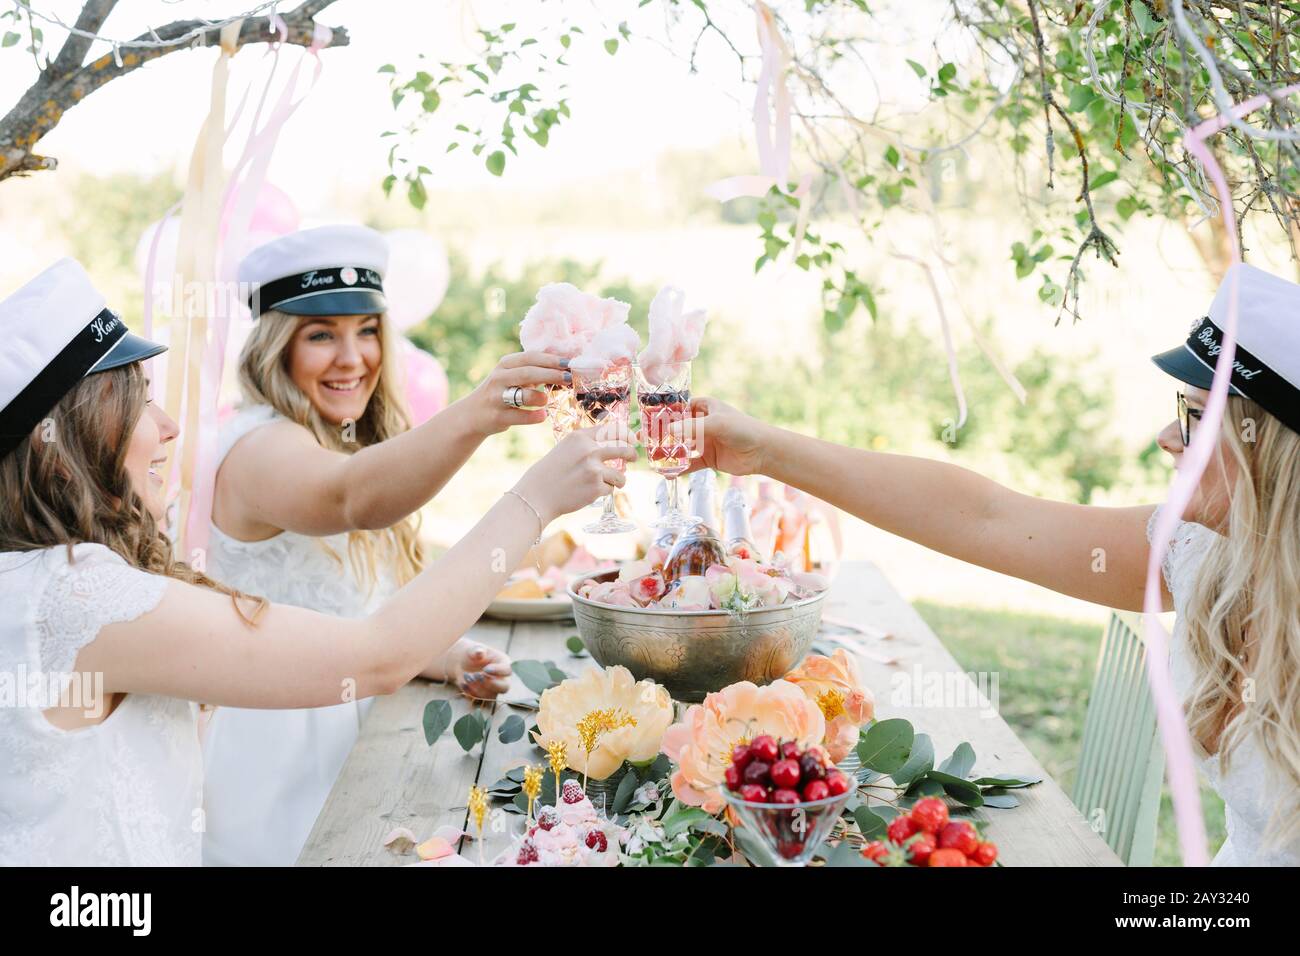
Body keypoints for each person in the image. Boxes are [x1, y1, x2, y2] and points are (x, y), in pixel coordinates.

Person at [0, 258, 633, 866]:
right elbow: (374, 653)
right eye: (137, 402)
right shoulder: (77, 595)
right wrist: (533, 500)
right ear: (63, 445)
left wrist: (429, 654)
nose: (168, 427)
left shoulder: (49, 581)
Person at [677, 263, 1300, 865]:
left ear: (1266, 444)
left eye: (1195, 415)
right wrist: (763, 450)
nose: (1166, 436)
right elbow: (987, 517)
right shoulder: (1207, 553)